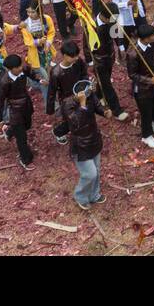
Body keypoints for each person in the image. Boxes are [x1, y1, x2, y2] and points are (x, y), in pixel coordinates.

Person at [61, 79, 107, 210]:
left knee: (96, 170)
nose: (87, 94)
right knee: (89, 174)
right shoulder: (68, 104)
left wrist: (104, 112)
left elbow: (97, 105)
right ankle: (80, 196)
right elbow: (76, 122)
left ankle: (94, 194)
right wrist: (82, 104)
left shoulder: (90, 95)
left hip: (94, 138)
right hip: (80, 144)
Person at [0, 53, 39, 170]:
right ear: (10, 69)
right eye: (17, 67)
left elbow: (31, 73)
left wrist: (39, 80)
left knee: (27, 126)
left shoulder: (23, 70)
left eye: (20, 65)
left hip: (26, 105)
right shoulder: (4, 82)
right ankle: (25, 159)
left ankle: (10, 132)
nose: (21, 68)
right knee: (22, 138)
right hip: (15, 110)